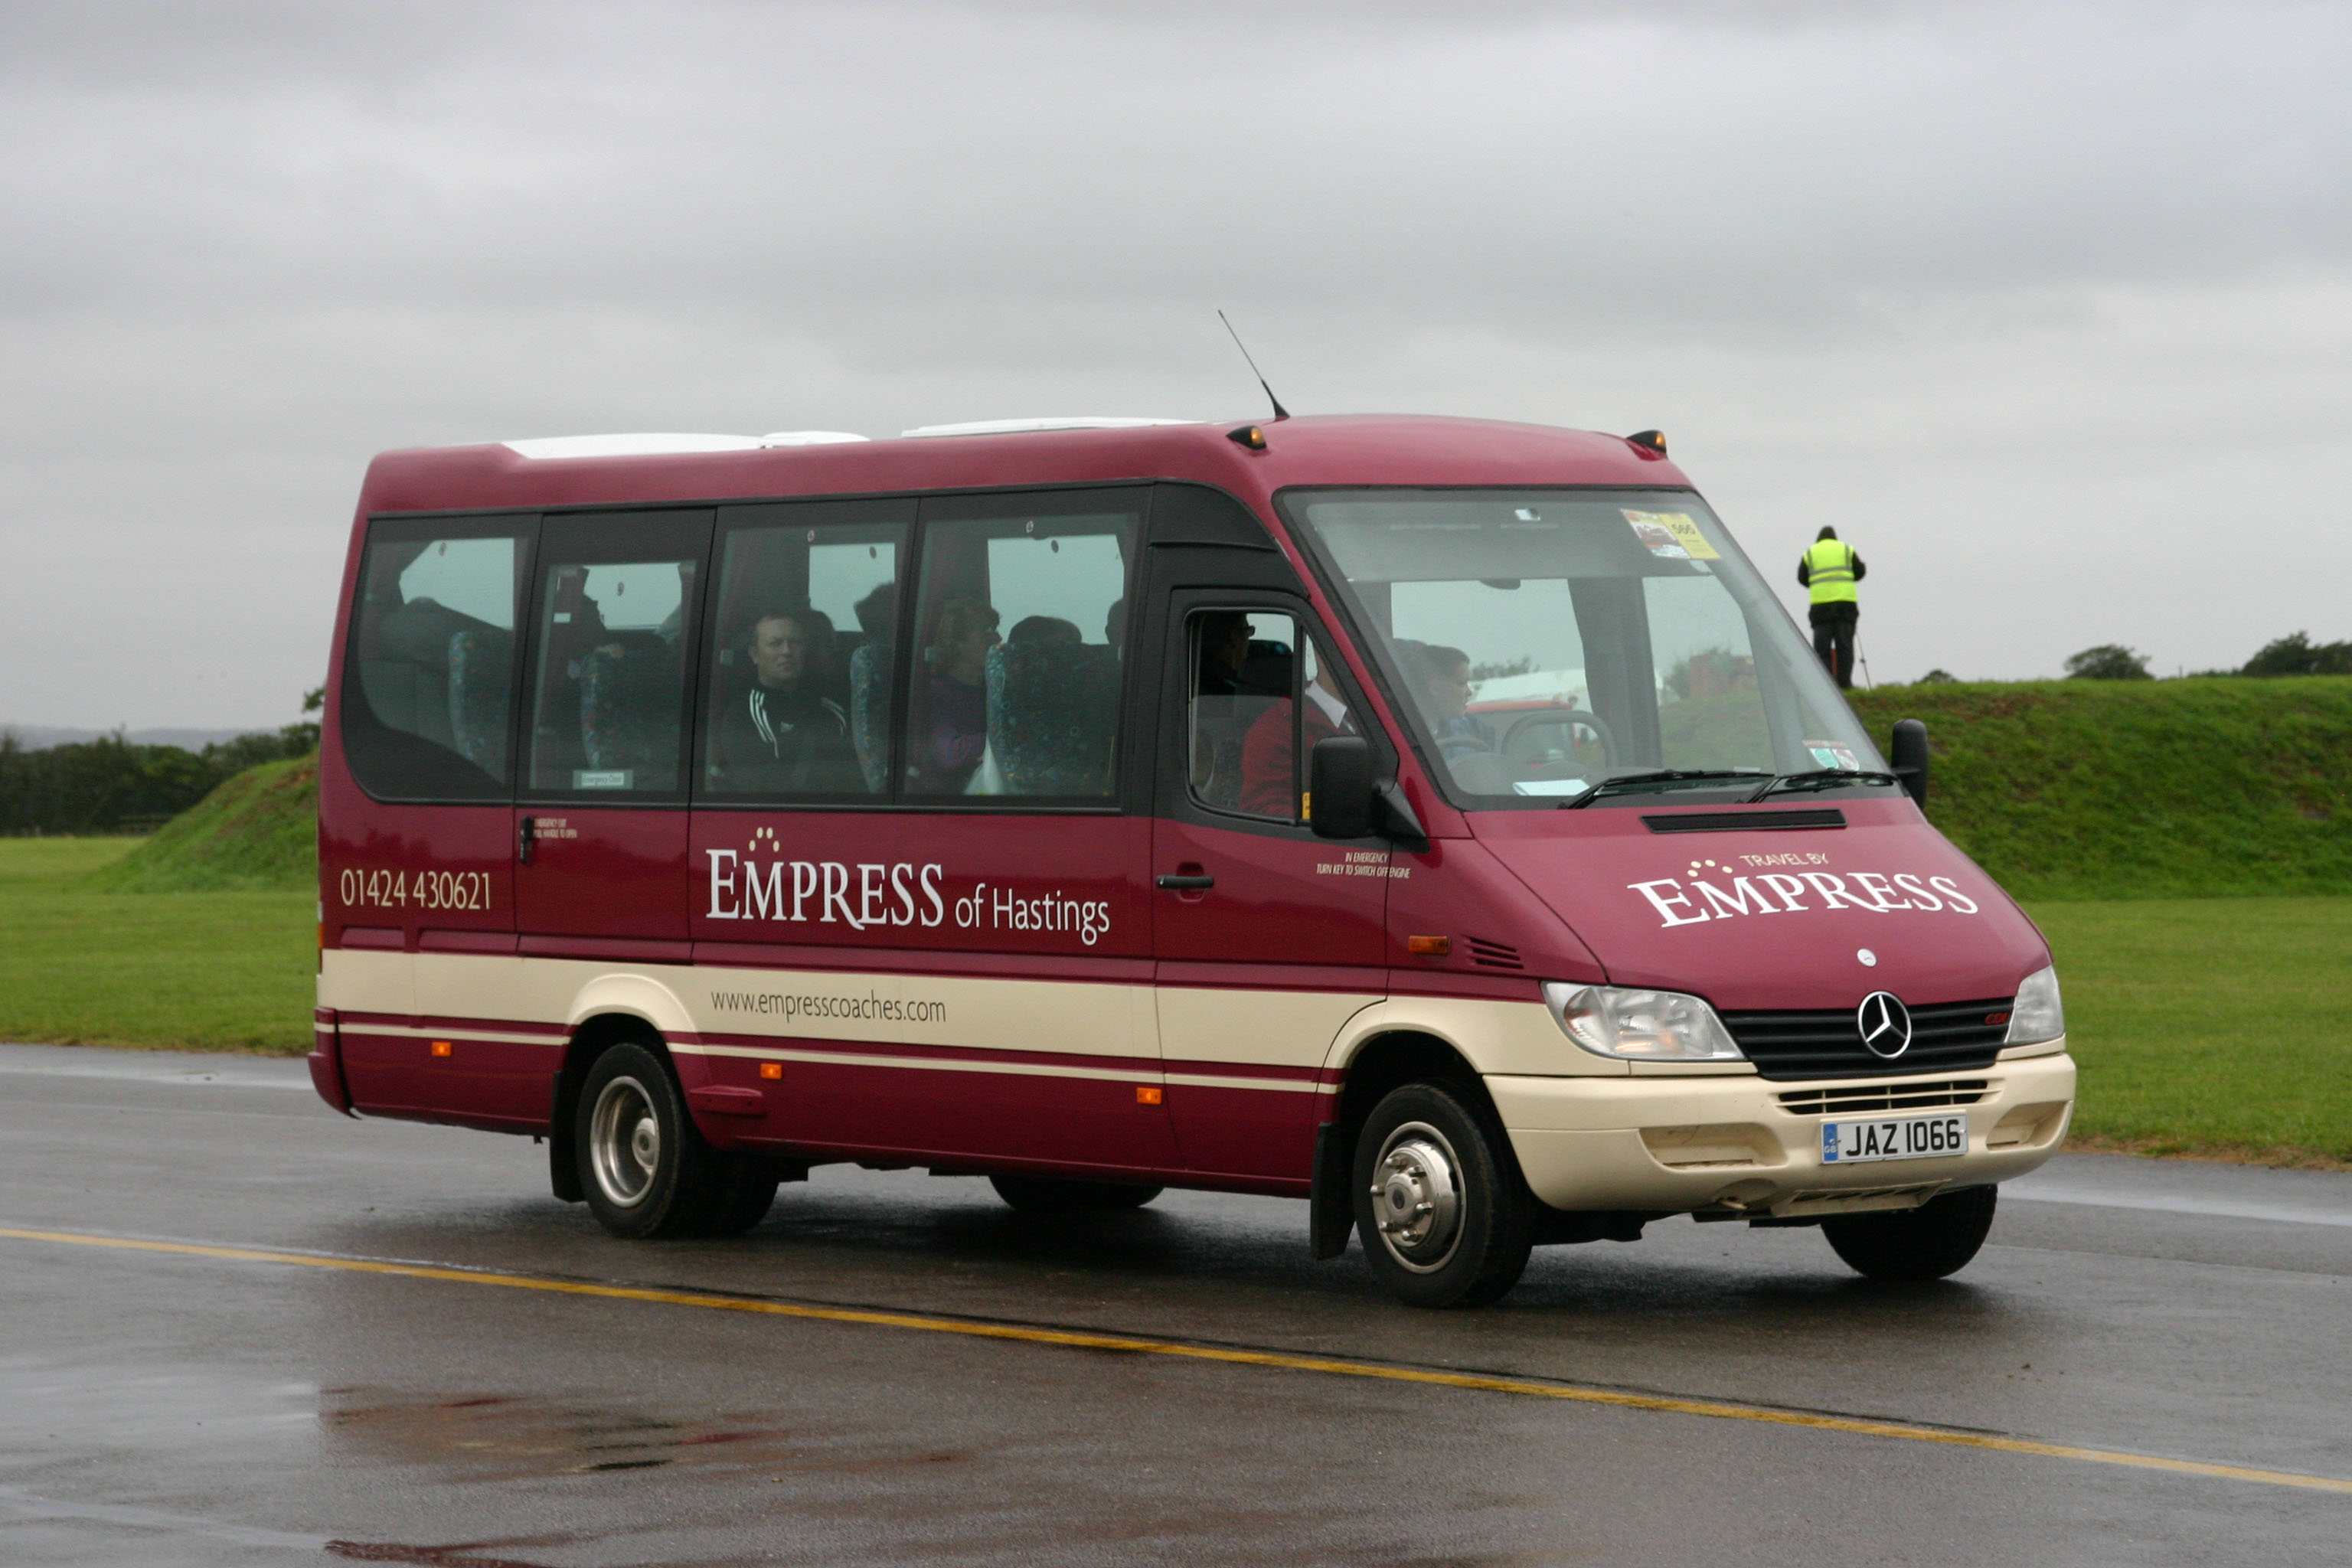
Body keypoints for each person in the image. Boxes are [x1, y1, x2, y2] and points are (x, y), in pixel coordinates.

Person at [710, 606, 861, 792]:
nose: (787, 651)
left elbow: (852, 780)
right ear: (754, 654)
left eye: (794, 643)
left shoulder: (832, 711)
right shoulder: (742, 717)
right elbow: (764, 791)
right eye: (775, 644)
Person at [1239, 652, 1354, 818]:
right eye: (1364, 650)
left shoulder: (1389, 715)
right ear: (1323, 656)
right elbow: (1265, 813)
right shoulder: (1276, 730)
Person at [915, 597, 1000, 793]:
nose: (998, 638)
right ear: (957, 642)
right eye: (987, 631)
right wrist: (1002, 740)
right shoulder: (937, 692)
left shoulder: (992, 690)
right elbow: (950, 753)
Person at [1798, 525, 1867, 689]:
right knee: (1845, 648)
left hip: (1821, 609)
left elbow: (1801, 578)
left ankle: (1827, 687)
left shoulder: (1810, 553)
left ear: (1819, 539)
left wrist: (1817, 584)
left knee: (1822, 650)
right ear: (1835, 538)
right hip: (1845, 607)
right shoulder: (1846, 550)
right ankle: (1845, 684)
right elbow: (1860, 571)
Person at [1408, 642, 1494, 757]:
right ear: (1435, 688)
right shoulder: (1404, 738)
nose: (1469, 692)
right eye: (1462, 683)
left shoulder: (1476, 729)